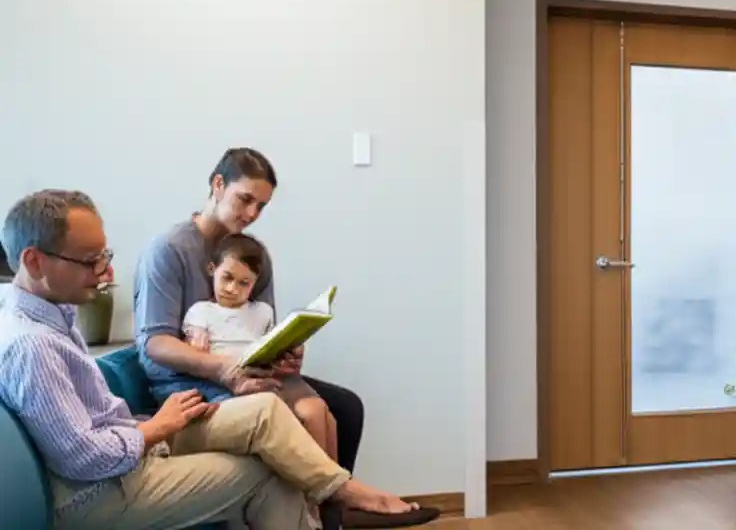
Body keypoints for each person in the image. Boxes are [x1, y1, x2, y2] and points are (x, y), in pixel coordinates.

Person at [0, 189, 438, 529]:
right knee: (270, 472)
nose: (106, 272)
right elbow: (83, 460)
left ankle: (340, 492)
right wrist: (156, 427)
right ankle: (344, 494)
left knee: (266, 409)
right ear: (34, 261)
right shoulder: (31, 344)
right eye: (91, 260)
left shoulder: (53, 312)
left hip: (129, 443)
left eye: (105, 256)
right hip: (94, 491)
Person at [132, 148, 402, 528]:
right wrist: (224, 369)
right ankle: (327, 509)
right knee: (303, 415)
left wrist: (286, 353)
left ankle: (326, 515)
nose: (252, 215)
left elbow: (261, 330)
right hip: (193, 379)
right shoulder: (168, 251)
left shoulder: (253, 254)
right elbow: (155, 344)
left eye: (262, 206)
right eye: (245, 200)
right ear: (218, 185)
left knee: (343, 407)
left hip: (248, 367)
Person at [181, 232, 339, 463]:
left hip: (269, 377)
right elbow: (193, 347)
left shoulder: (262, 311)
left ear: (255, 284)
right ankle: (322, 493)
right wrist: (196, 336)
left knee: (318, 411)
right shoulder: (201, 311)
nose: (232, 288)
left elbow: (272, 344)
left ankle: (332, 492)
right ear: (212, 270)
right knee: (307, 414)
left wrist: (289, 349)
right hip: (233, 384)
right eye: (227, 277)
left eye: (244, 283)